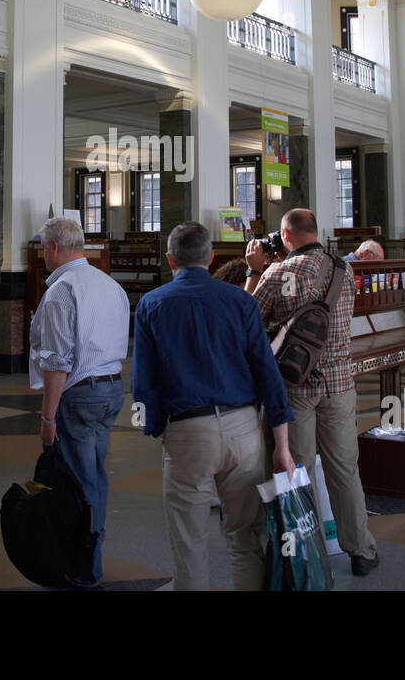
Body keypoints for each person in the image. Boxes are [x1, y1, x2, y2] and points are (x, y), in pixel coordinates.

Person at [133, 222, 294, 591]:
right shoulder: (241, 302)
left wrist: (159, 428)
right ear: (211, 257)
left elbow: (144, 383)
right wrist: (282, 446)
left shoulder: (151, 305)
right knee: (245, 540)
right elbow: (269, 376)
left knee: (189, 545)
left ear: (170, 260)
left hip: (187, 431)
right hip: (243, 431)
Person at [246, 208, 380, 576]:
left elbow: (251, 323)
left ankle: (308, 552)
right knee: (344, 470)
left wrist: (255, 269)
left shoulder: (277, 272)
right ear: (315, 232)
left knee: (296, 470)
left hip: (295, 387)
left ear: (286, 237)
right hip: (340, 384)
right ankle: (361, 550)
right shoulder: (345, 270)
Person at [29, 216, 130, 586]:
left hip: (80, 395)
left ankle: (83, 566)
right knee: (95, 475)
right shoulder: (109, 285)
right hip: (111, 389)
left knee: (76, 481)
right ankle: (91, 550)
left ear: (54, 247)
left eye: (43, 248)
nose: (42, 255)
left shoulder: (60, 290)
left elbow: (57, 363)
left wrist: (47, 419)